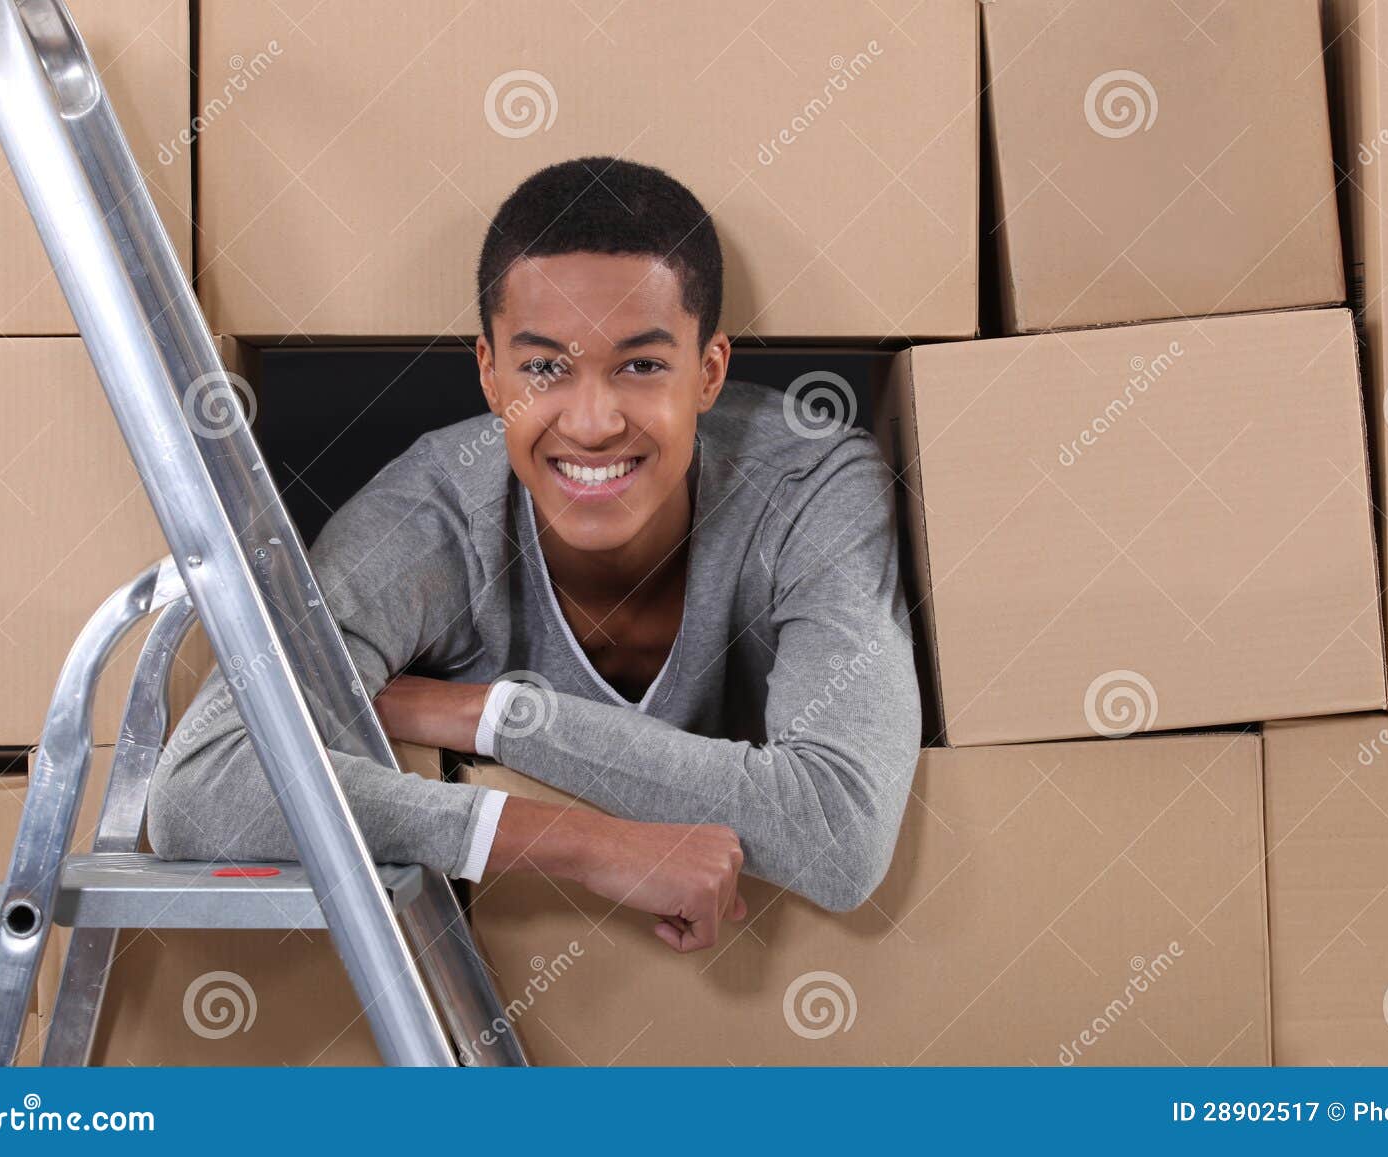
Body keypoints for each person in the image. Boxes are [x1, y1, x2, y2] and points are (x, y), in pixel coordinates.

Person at [148, 157, 920, 952]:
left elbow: (840, 832)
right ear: (490, 374)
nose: (591, 423)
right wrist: (580, 843)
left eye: (642, 365)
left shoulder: (806, 486)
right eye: (545, 366)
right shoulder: (433, 515)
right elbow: (202, 787)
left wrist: (487, 714)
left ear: (709, 372)